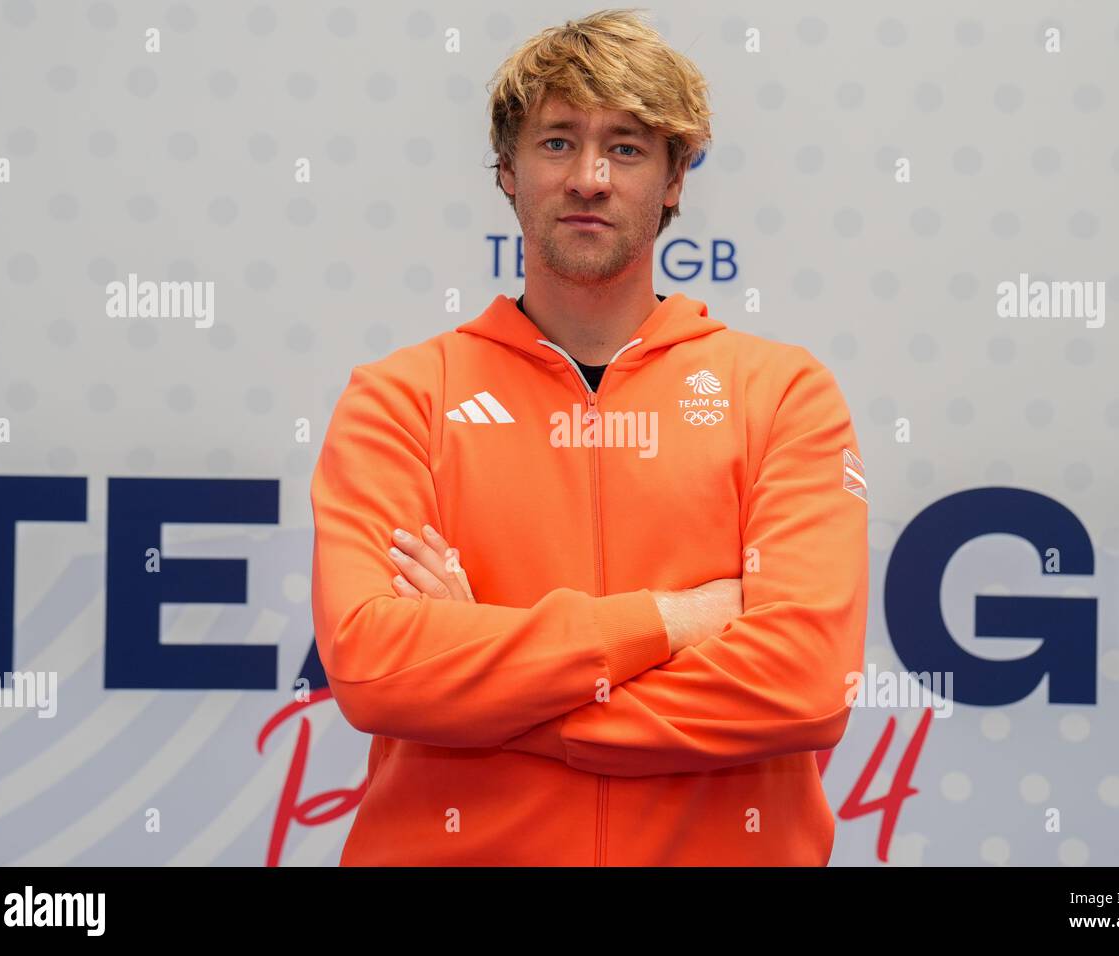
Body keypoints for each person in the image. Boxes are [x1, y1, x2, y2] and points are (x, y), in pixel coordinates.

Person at [310, 7, 869, 866]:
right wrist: (676, 618)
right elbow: (375, 665)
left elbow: (803, 683)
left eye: (628, 147)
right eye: (558, 142)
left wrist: (504, 692)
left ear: (676, 179)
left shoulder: (783, 395)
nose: (590, 178)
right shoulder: (402, 400)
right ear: (507, 170)